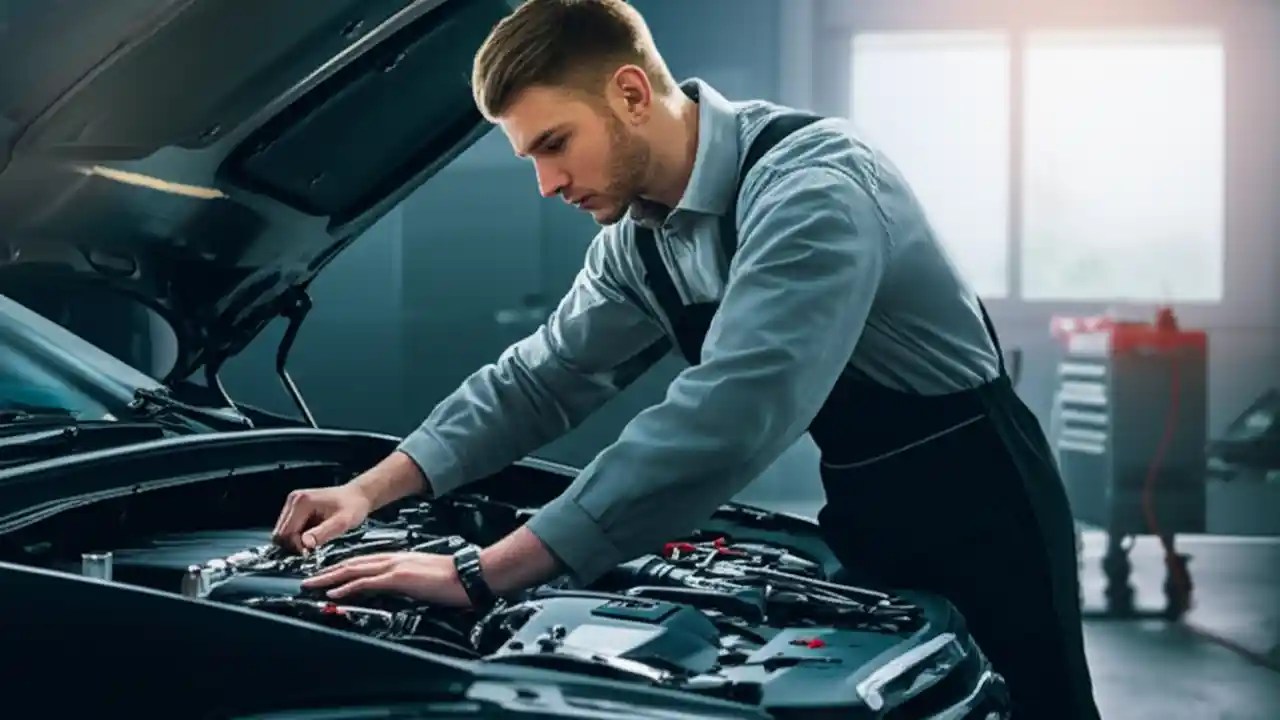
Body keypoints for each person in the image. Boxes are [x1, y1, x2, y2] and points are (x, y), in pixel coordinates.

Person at [272, 1, 1100, 717]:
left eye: (555, 143)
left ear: (630, 93)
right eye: (530, 156)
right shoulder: (642, 240)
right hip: (865, 501)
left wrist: (485, 573)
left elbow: (733, 412)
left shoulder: (815, 188)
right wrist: (367, 489)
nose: (546, 183)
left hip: (986, 503)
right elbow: (537, 381)